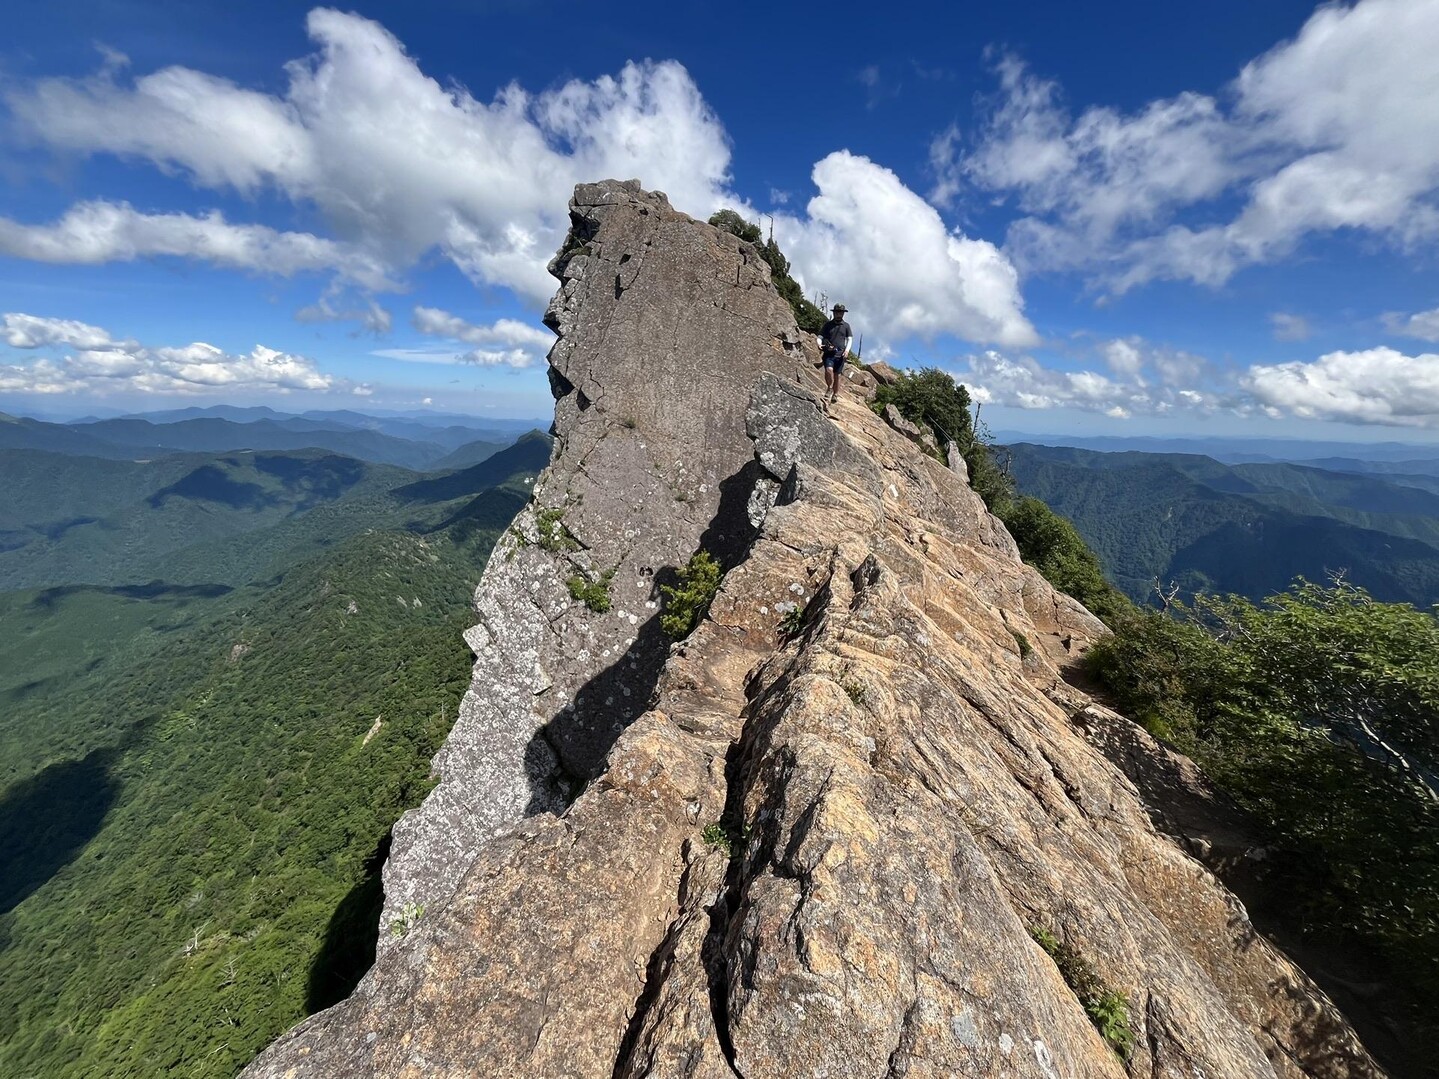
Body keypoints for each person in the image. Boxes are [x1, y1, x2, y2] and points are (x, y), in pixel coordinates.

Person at [818, 303, 853, 405]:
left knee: (837, 375)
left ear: (843, 313)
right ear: (834, 313)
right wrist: (819, 344)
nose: (839, 314)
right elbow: (820, 336)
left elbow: (849, 339)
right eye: (837, 312)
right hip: (829, 352)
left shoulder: (846, 326)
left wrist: (847, 350)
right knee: (828, 370)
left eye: (841, 312)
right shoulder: (828, 325)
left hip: (841, 354)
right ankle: (829, 387)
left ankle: (835, 394)